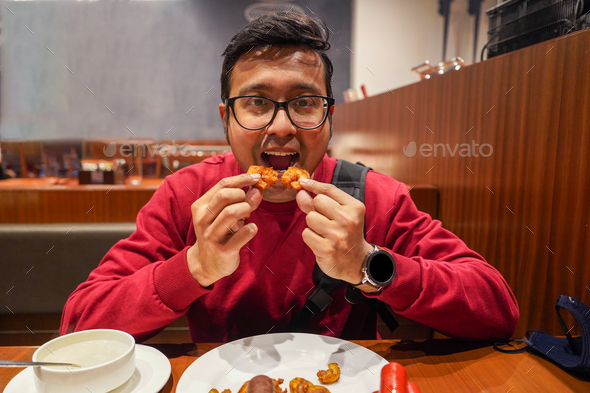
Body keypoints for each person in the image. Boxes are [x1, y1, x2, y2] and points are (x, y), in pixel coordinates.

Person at [60, 12, 519, 343]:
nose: (281, 127)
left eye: (304, 103)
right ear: (226, 119)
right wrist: (194, 267)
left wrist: (369, 264)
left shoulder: (374, 197)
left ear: (329, 117)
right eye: (257, 103)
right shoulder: (186, 196)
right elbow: (80, 325)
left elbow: (497, 310)